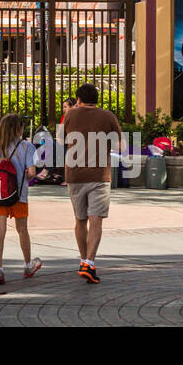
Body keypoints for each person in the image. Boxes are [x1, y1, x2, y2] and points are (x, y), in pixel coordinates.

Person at [62, 82, 120, 284]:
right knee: (96, 219)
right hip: (99, 175)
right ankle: (90, 262)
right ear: (97, 99)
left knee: (80, 220)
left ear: (78, 99)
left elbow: (62, 140)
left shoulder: (70, 115)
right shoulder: (108, 116)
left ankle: (83, 260)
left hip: (75, 174)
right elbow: (118, 143)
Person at [0, 114, 41, 284]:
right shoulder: (27, 147)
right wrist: (26, 177)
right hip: (18, 195)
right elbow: (31, 173)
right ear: (19, 129)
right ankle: (27, 265)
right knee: (22, 230)